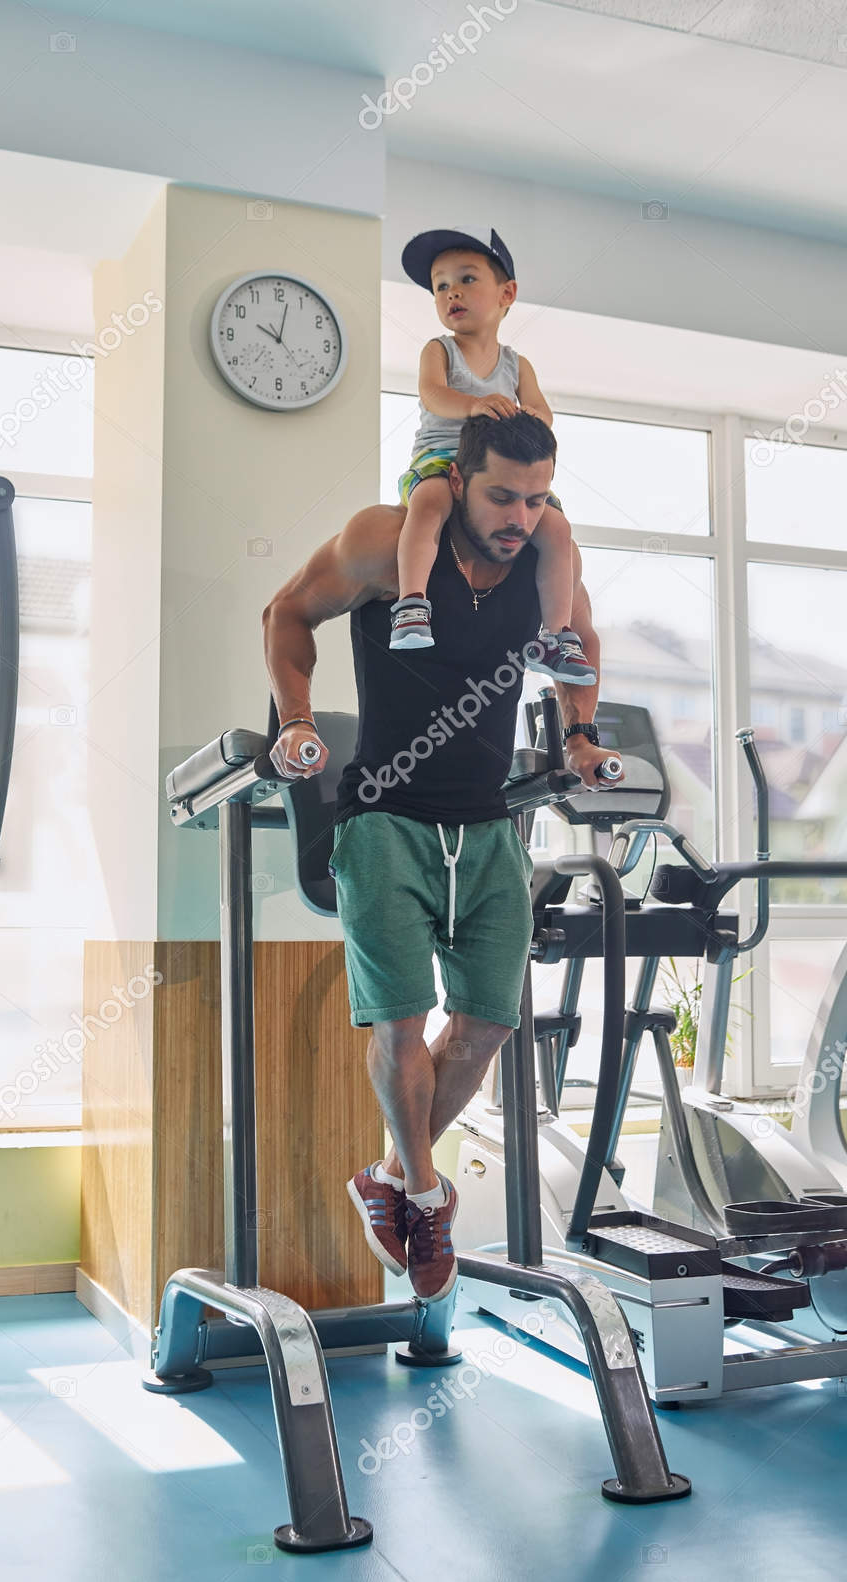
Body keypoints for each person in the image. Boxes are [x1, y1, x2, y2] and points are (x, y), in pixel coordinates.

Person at [262, 410, 622, 1304]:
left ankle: (388, 1173)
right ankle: (426, 1194)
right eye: (503, 495)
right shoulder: (385, 544)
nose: (520, 516)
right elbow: (287, 612)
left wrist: (580, 737)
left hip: (488, 824)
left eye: (537, 499)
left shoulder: (542, 560)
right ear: (455, 482)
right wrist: (298, 721)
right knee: (401, 1022)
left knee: (488, 1028)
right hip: (386, 817)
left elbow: (582, 647)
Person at [389, 225, 594, 692]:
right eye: (440, 286)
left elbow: (542, 410)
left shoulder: (515, 364)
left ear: (507, 293)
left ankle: (556, 634)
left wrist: (527, 418)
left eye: (465, 279)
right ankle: (412, 602)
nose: (450, 292)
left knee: (558, 529)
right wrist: (473, 406)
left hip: (502, 464)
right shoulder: (439, 349)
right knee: (429, 504)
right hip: (442, 456)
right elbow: (432, 394)